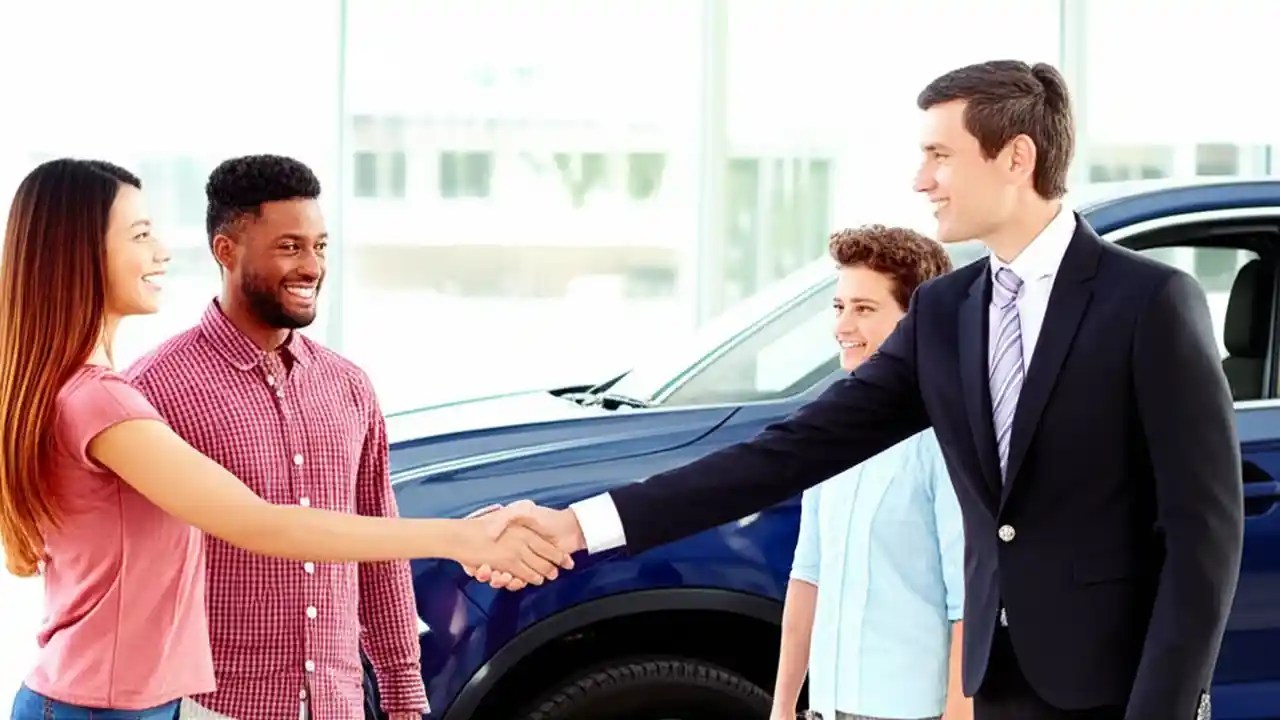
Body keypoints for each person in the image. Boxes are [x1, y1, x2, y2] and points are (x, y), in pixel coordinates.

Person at [494, 60, 1244, 719]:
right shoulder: (947, 314)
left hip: (1117, 689)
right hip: (1000, 685)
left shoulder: (1149, 302)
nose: (921, 180)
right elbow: (790, 450)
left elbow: (1203, 539)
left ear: (1016, 157)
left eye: (940, 155)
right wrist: (582, 525)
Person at [0, 159, 570, 720]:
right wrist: (463, 538)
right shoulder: (115, 398)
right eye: (141, 234)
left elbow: (360, 532)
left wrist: (400, 685)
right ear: (79, 253)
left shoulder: (78, 392)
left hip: (128, 701)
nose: (163, 252)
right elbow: (265, 523)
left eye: (319, 245)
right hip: (109, 707)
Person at [124, 154, 431, 720]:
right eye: (290, 247)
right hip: (211, 707)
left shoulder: (349, 387)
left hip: (338, 705)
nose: (312, 266)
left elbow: (380, 544)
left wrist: (402, 690)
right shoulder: (151, 390)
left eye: (320, 246)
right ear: (226, 251)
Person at [768, 226, 968, 720]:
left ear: (915, 320)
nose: (843, 326)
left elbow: (970, 597)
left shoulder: (943, 437)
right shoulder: (829, 427)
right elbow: (807, 575)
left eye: (864, 309)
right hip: (827, 709)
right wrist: (783, 705)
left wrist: (960, 713)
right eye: (839, 307)